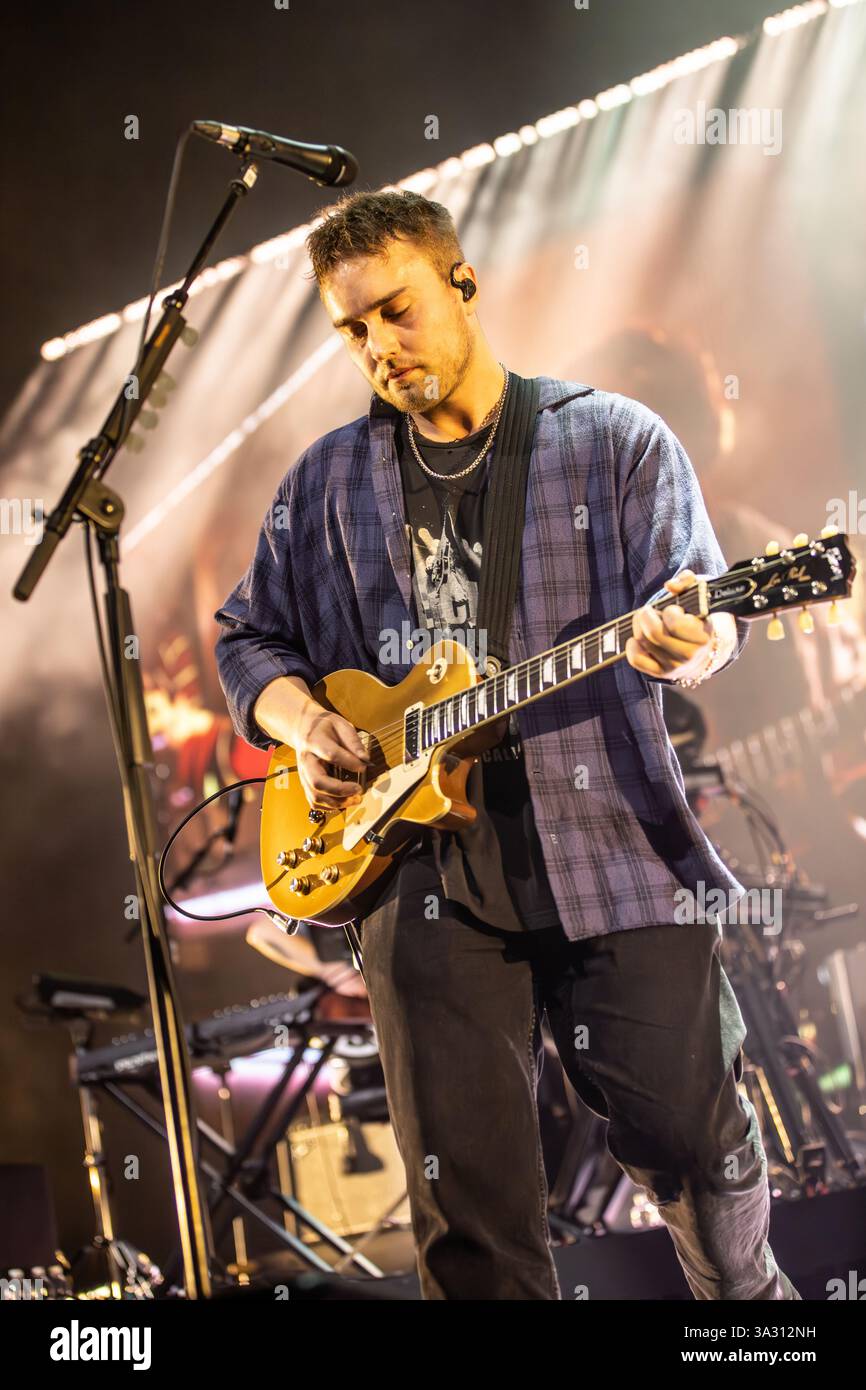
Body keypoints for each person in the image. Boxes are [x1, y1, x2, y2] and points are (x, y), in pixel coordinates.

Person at [214, 190, 801, 1301]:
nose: (378, 348)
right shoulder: (324, 483)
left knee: (687, 1137)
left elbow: (704, 605)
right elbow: (248, 637)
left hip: (609, 847)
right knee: (469, 1223)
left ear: (460, 285)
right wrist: (305, 721)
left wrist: (695, 637)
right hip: (415, 876)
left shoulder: (613, 439)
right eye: (351, 330)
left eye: (395, 311)